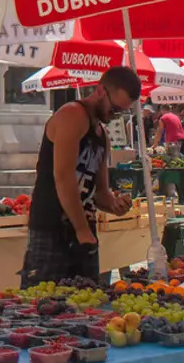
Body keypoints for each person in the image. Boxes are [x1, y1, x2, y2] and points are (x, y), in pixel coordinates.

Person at [21, 66, 140, 287]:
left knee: (84, 308)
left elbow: (100, 193)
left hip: (82, 234)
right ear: (100, 90)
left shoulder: (102, 135)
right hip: (53, 228)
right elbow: (63, 176)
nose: (115, 116)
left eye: (122, 112)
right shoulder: (72, 114)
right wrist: (82, 230)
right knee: (41, 304)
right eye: (114, 109)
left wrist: (115, 205)